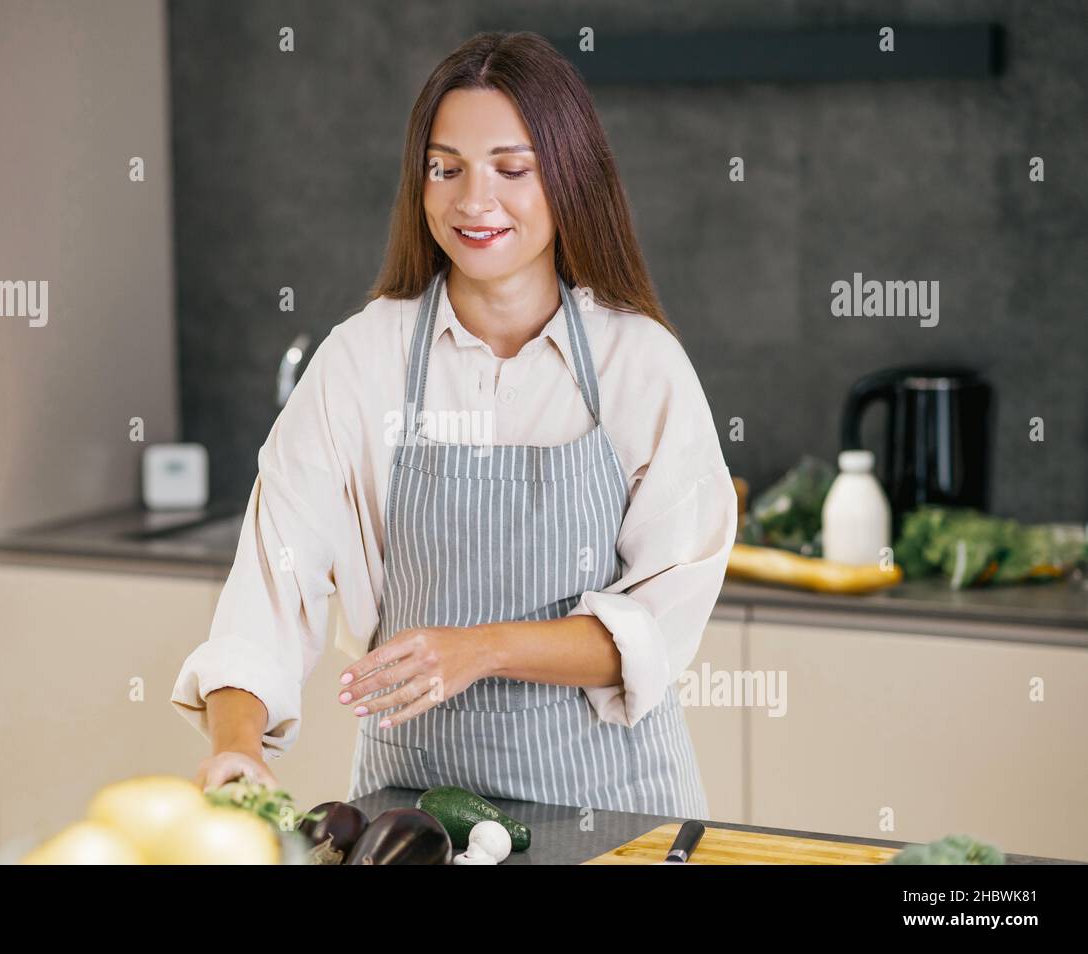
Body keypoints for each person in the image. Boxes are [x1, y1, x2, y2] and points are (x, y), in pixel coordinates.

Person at [172, 31, 737, 817]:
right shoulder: (360, 361)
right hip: (414, 814)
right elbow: (270, 585)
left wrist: (480, 648)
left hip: (616, 811)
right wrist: (235, 744)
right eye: (446, 168)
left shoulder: (639, 365)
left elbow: (656, 627)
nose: (474, 201)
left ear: (569, 178)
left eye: (511, 169)